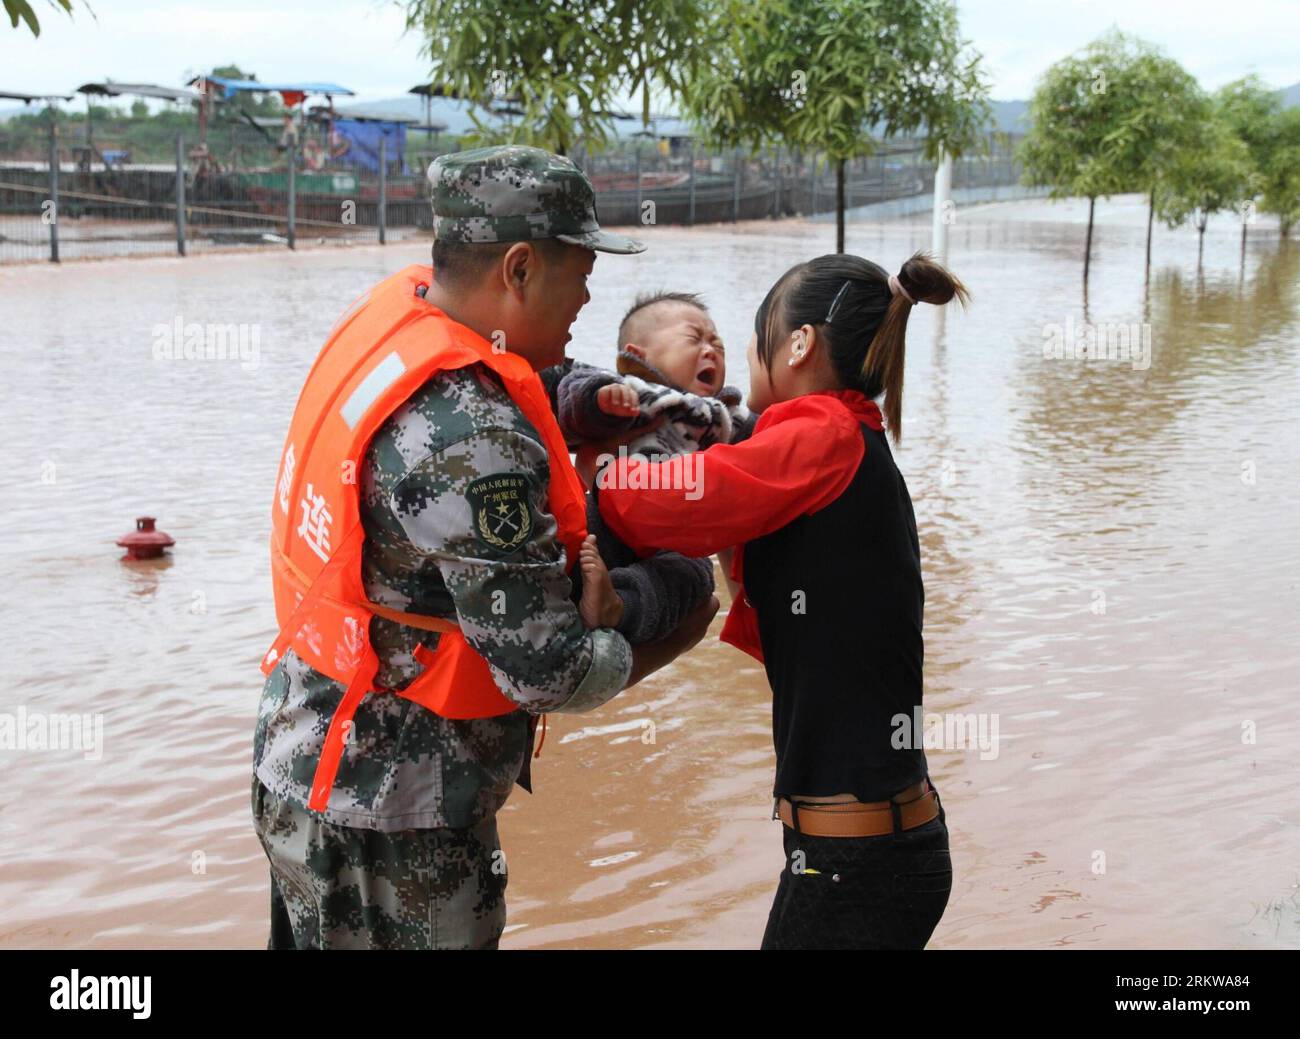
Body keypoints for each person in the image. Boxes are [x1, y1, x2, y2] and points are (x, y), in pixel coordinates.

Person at [251, 145, 717, 950]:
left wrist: (581, 409)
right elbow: (553, 669)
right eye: (581, 270)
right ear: (521, 268)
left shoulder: (399, 319)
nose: (589, 295)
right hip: (393, 822)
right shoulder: (474, 435)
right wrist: (676, 601)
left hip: (306, 758)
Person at [596, 251, 967, 949]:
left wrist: (585, 476)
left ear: (798, 344)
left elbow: (659, 505)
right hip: (866, 845)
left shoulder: (822, 436)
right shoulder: (842, 437)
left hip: (859, 856)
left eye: (757, 334)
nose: (742, 353)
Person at [546, 291, 756, 644]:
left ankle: (616, 605)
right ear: (637, 356)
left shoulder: (722, 415)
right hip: (600, 526)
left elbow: (768, 437)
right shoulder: (630, 393)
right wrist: (600, 402)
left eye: (717, 343)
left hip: (668, 544)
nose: (711, 350)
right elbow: (571, 395)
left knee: (696, 575)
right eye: (695, 339)